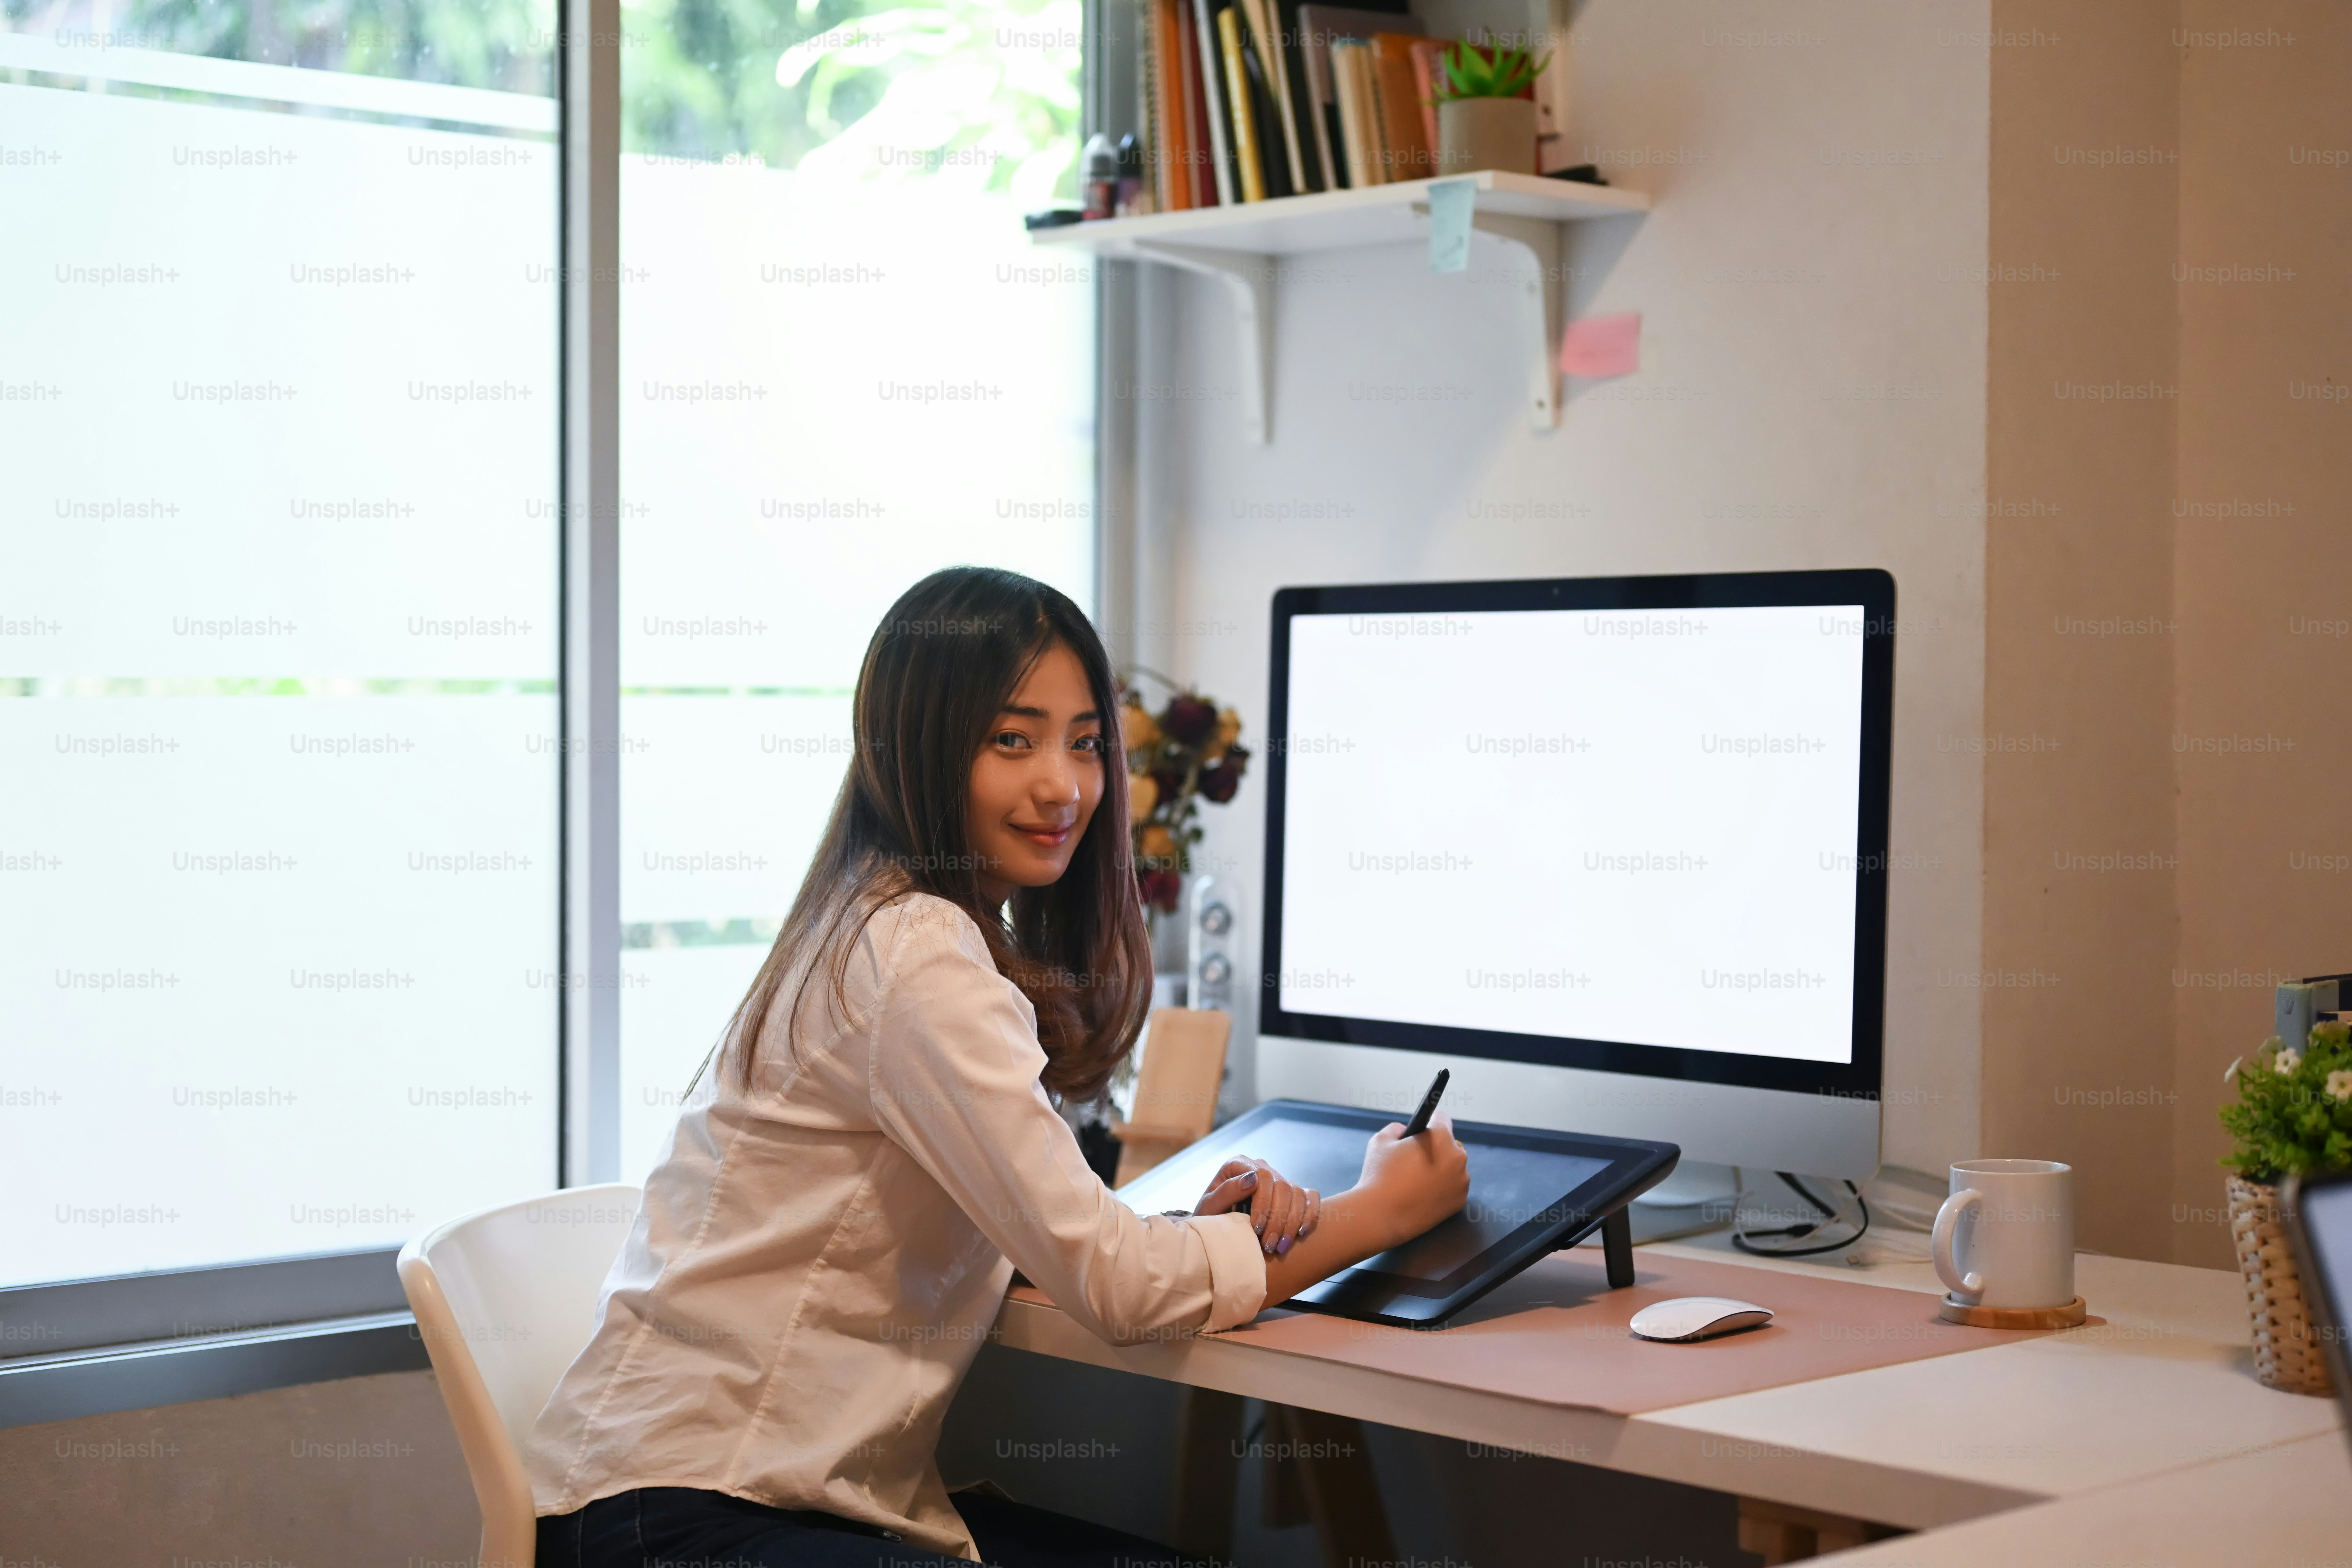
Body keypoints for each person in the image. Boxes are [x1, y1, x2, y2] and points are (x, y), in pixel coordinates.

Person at [526, 566, 1470, 1567]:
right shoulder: (918, 951)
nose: (1063, 784)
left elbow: (1053, 1236)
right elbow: (1119, 1292)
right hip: (683, 1518)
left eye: (1086, 743)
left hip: (689, 1499)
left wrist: (1181, 1235)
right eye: (1011, 740)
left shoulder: (877, 917)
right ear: (922, 749)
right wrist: (1382, 1213)